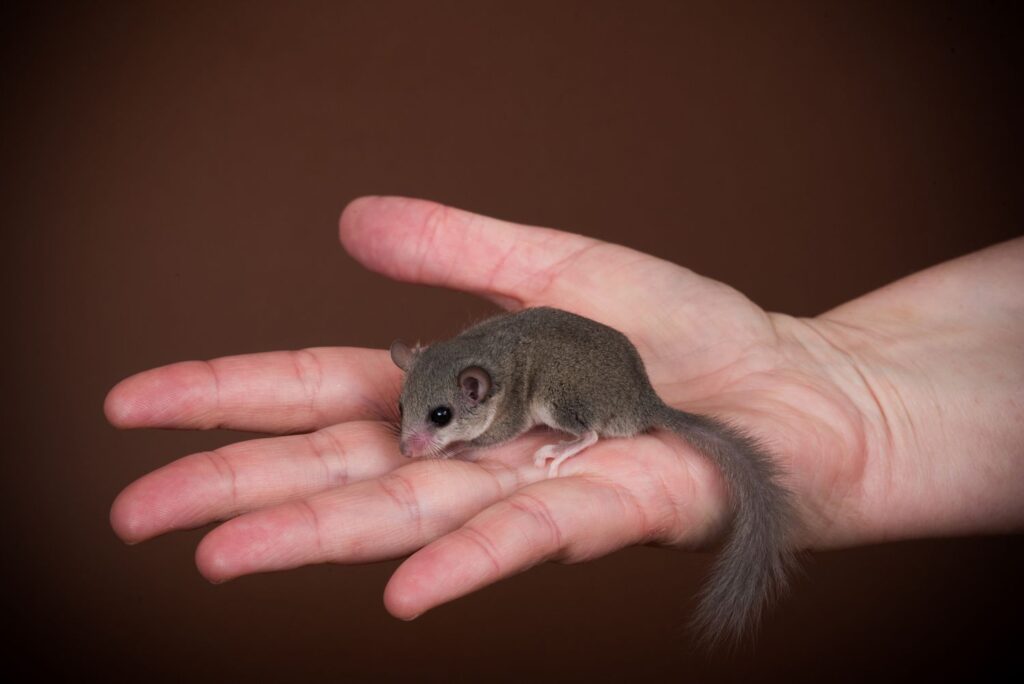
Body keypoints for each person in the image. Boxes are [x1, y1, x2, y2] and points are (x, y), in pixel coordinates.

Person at [104, 196, 1024, 621]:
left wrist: (545, 445)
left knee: (567, 403)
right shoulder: (450, 373)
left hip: (603, 405)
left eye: (437, 426)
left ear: (477, 396)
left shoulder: (499, 401)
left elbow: (497, 425)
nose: (420, 442)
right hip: (580, 375)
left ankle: (581, 434)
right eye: (415, 422)